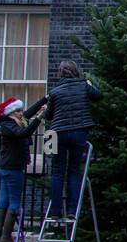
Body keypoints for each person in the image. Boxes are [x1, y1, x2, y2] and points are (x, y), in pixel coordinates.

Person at [28, 59, 101, 224]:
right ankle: (72, 211)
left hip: (56, 132)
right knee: (74, 171)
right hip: (79, 131)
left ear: (60, 73)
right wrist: (89, 83)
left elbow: (49, 116)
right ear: (76, 72)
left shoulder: (55, 91)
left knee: (57, 172)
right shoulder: (84, 85)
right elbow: (98, 96)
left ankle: (54, 212)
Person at [0, 97, 45, 242]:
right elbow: (25, 133)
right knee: (13, 202)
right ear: (12, 113)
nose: (22, 113)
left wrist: (44, 100)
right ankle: (5, 237)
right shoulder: (9, 126)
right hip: (13, 169)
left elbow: (28, 114)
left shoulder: (11, 123)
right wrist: (39, 118)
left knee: (3, 200)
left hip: (6, 168)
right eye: (19, 111)